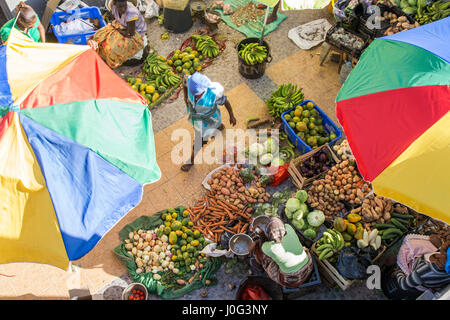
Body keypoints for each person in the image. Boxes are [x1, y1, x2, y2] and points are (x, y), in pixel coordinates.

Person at [181, 72, 237, 172]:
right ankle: (191, 160)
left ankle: (191, 160)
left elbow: (225, 102)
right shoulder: (190, 81)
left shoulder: (213, 93)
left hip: (211, 118)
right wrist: (185, 97)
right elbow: (184, 83)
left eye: (198, 93)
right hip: (198, 120)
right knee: (200, 137)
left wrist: (231, 115)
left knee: (210, 132)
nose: (196, 95)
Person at [248, 216, 313, 288]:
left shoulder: (271, 248)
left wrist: (261, 233)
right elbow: (280, 225)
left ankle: (260, 266)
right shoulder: (289, 229)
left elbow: (263, 244)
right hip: (309, 266)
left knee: (262, 256)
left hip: (292, 280)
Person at [88, 0, 148, 68]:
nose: (123, 9)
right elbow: (113, 16)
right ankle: (101, 55)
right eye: (120, 7)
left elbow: (130, 34)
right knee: (98, 36)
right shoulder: (111, 4)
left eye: (124, 6)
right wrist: (114, 27)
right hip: (120, 26)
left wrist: (117, 30)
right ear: (114, 4)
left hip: (134, 34)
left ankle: (116, 60)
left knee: (112, 49)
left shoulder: (131, 13)